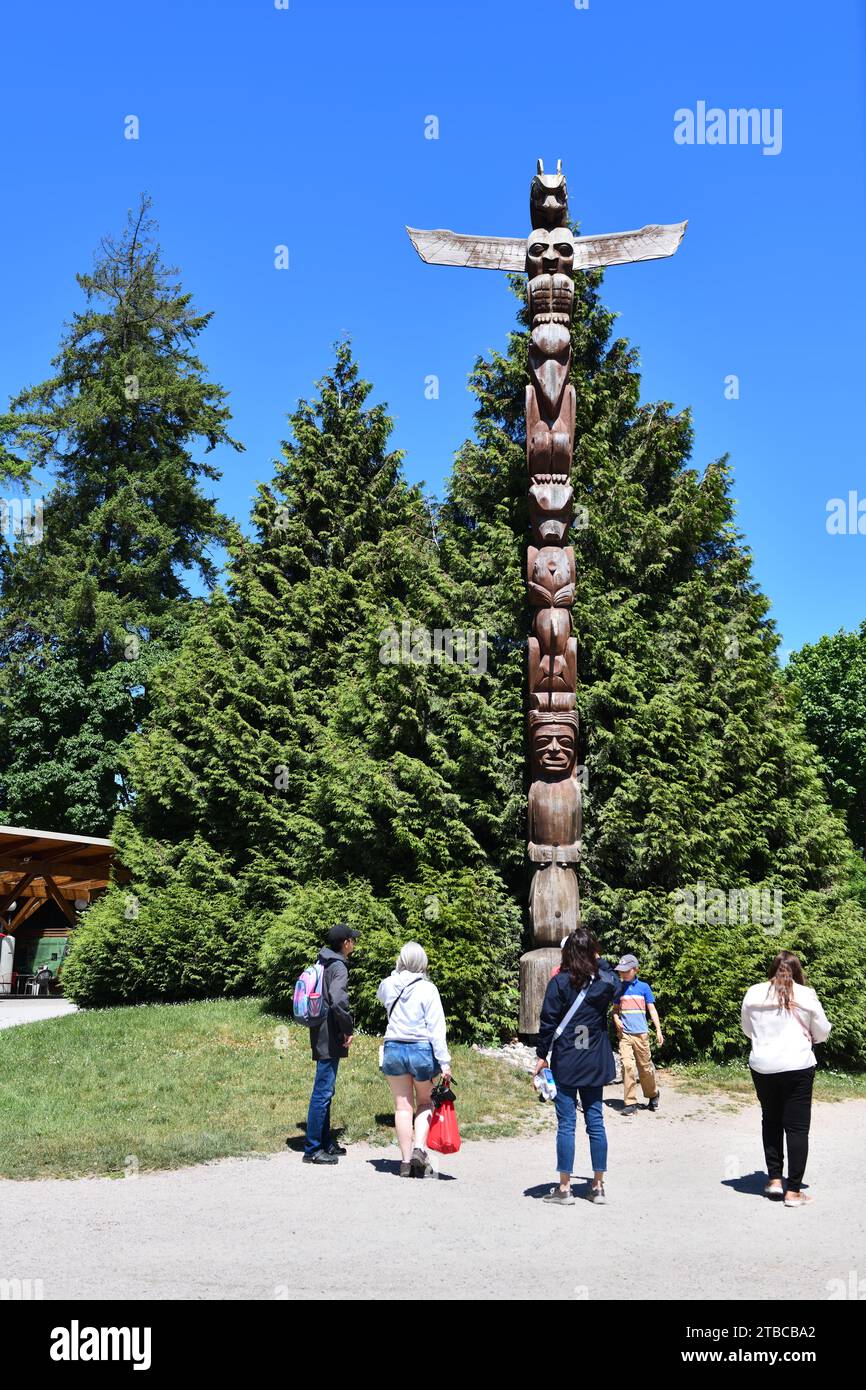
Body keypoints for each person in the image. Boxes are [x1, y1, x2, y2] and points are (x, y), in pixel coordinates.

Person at [534, 928, 623, 1206]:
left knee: (566, 1125)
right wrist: (601, 960)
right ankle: (597, 1186)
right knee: (596, 1122)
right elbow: (617, 984)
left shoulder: (559, 983)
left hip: (568, 1060)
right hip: (594, 1060)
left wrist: (541, 1055)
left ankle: (564, 1188)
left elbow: (547, 1023)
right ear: (593, 952)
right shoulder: (604, 983)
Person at [740, 950, 831, 1207]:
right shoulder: (806, 994)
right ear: (797, 971)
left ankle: (775, 1180)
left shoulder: (753, 992)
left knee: (770, 1119)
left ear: (773, 969)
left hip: (763, 1066)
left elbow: (748, 1029)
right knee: (797, 1127)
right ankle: (793, 1192)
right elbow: (822, 1031)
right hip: (798, 1065)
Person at [377, 942, 452, 1178]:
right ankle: (420, 1147)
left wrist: (396, 973)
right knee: (426, 1102)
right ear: (423, 962)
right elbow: (436, 1029)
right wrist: (445, 1062)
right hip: (420, 1050)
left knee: (402, 1106)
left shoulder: (388, 984)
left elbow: (382, 994)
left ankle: (405, 1162)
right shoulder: (429, 989)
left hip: (394, 1048)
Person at [303, 924, 358, 1166]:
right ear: (345, 943)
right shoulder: (339, 967)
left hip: (320, 1029)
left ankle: (325, 1142)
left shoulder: (324, 961)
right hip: (330, 1033)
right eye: (352, 940)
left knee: (326, 1089)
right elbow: (338, 1000)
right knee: (323, 1091)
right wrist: (347, 1028)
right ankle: (313, 1149)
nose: (354, 944)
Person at [612, 953, 663, 1116]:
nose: (622, 973)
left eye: (626, 970)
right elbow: (614, 1010)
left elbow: (652, 1009)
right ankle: (630, 1103)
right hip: (625, 1034)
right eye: (621, 971)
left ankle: (653, 1094)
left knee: (645, 1068)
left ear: (635, 969)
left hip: (641, 1034)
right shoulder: (619, 988)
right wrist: (615, 1019)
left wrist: (658, 1029)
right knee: (627, 1065)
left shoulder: (644, 987)